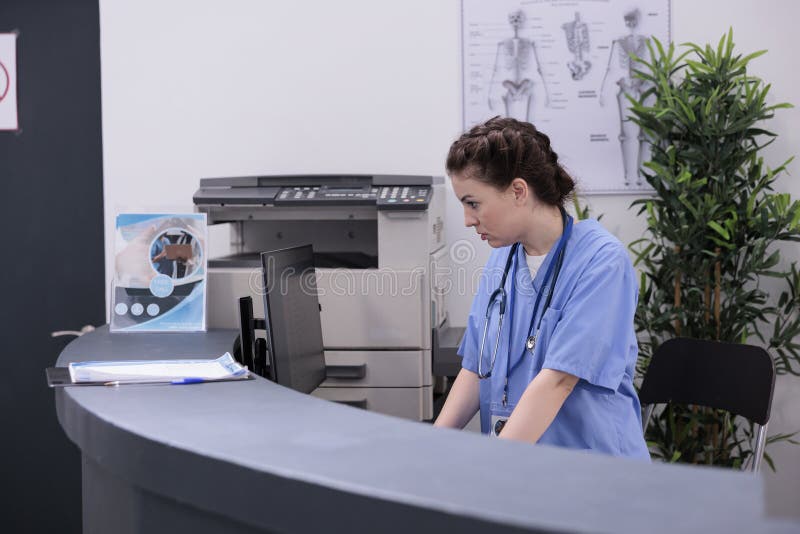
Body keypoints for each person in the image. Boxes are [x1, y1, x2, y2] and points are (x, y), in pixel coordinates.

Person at [434, 116, 650, 460]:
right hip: (520, 468)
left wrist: (493, 465)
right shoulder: (501, 260)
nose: (467, 219)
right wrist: (431, 448)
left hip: (590, 472)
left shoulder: (602, 262)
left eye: (473, 203)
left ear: (519, 191)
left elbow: (558, 381)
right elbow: (475, 369)